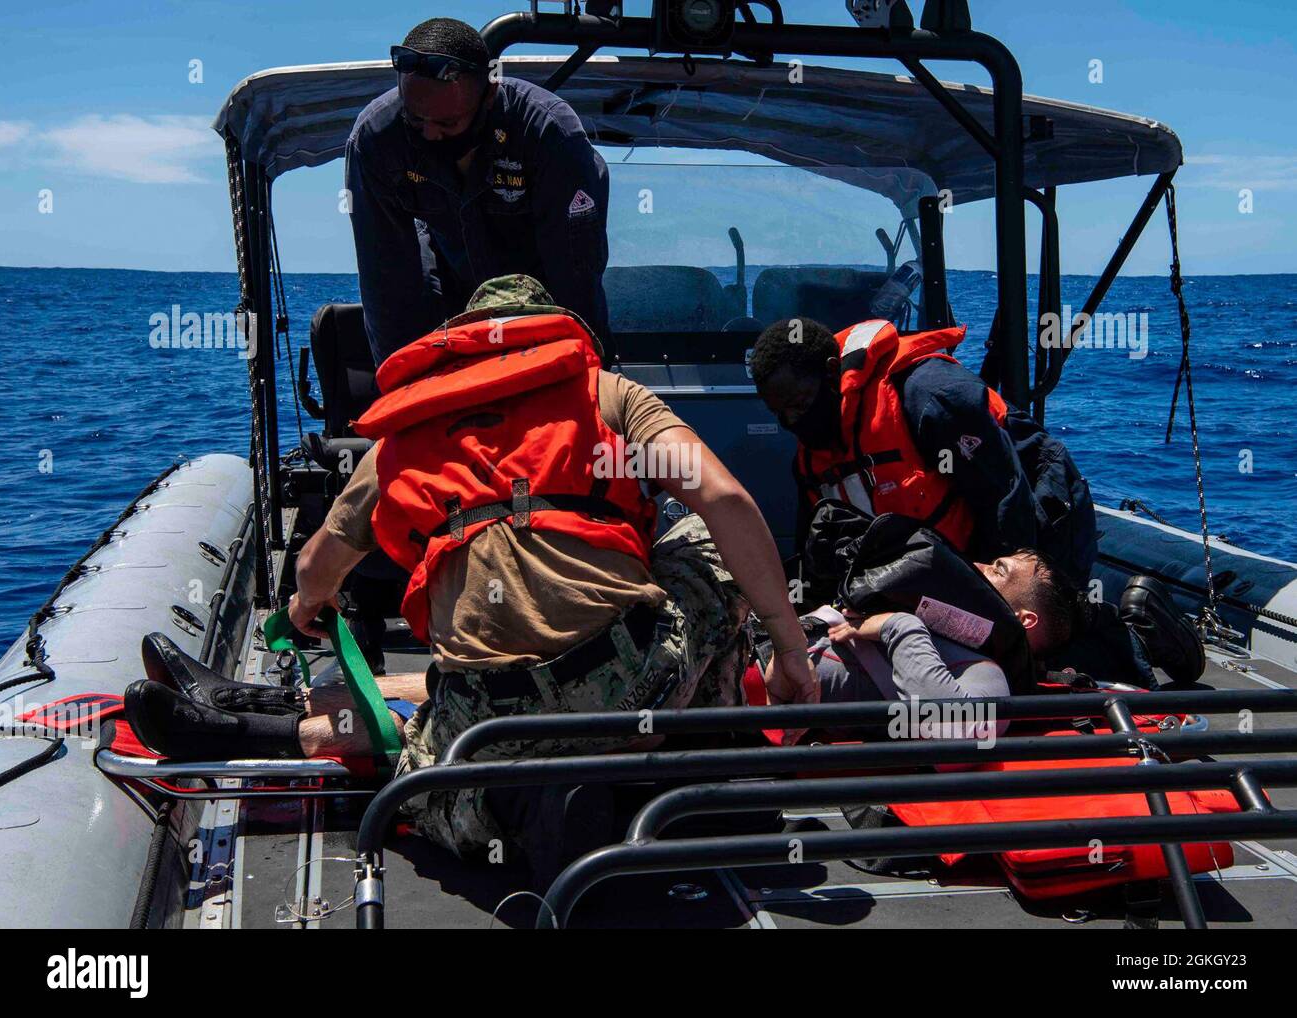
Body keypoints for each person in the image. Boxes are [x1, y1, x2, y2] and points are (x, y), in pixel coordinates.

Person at [126, 275, 815, 880]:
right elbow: (726, 500)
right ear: (554, 329)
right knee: (698, 539)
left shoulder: (411, 431)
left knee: (423, 749)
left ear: (466, 342)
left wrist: (312, 602)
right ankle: (698, 744)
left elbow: (314, 567)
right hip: (626, 686)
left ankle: (234, 722)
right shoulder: (609, 394)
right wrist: (789, 647)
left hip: (485, 713)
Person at [750, 315, 1203, 686]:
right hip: (957, 544)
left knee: (1034, 646)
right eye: (778, 413)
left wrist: (994, 620)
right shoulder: (813, 460)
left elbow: (1006, 498)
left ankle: (1144, 633)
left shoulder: (928, 395)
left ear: (832, 373)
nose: (793, 420)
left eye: (801, 402)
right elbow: (819, 557)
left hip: (1035, 505)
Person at [347, 18, 612, 364]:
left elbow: (576, 287)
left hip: (541, 300)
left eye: (446, 124)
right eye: (415, 120)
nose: (428, 135)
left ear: (489, 94)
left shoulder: (550, 134)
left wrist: (582, 373)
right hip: (450, 304)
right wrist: (405, 388)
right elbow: (387, 287)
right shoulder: (375, 142)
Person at [765, 550, 1076, 741]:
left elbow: (957, 733)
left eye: (998, 570)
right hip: (756, 650)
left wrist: (897, 625)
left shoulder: (988, 675)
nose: (978, 566)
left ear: (1024, 620)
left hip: (749, 692)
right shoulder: (933, 622)